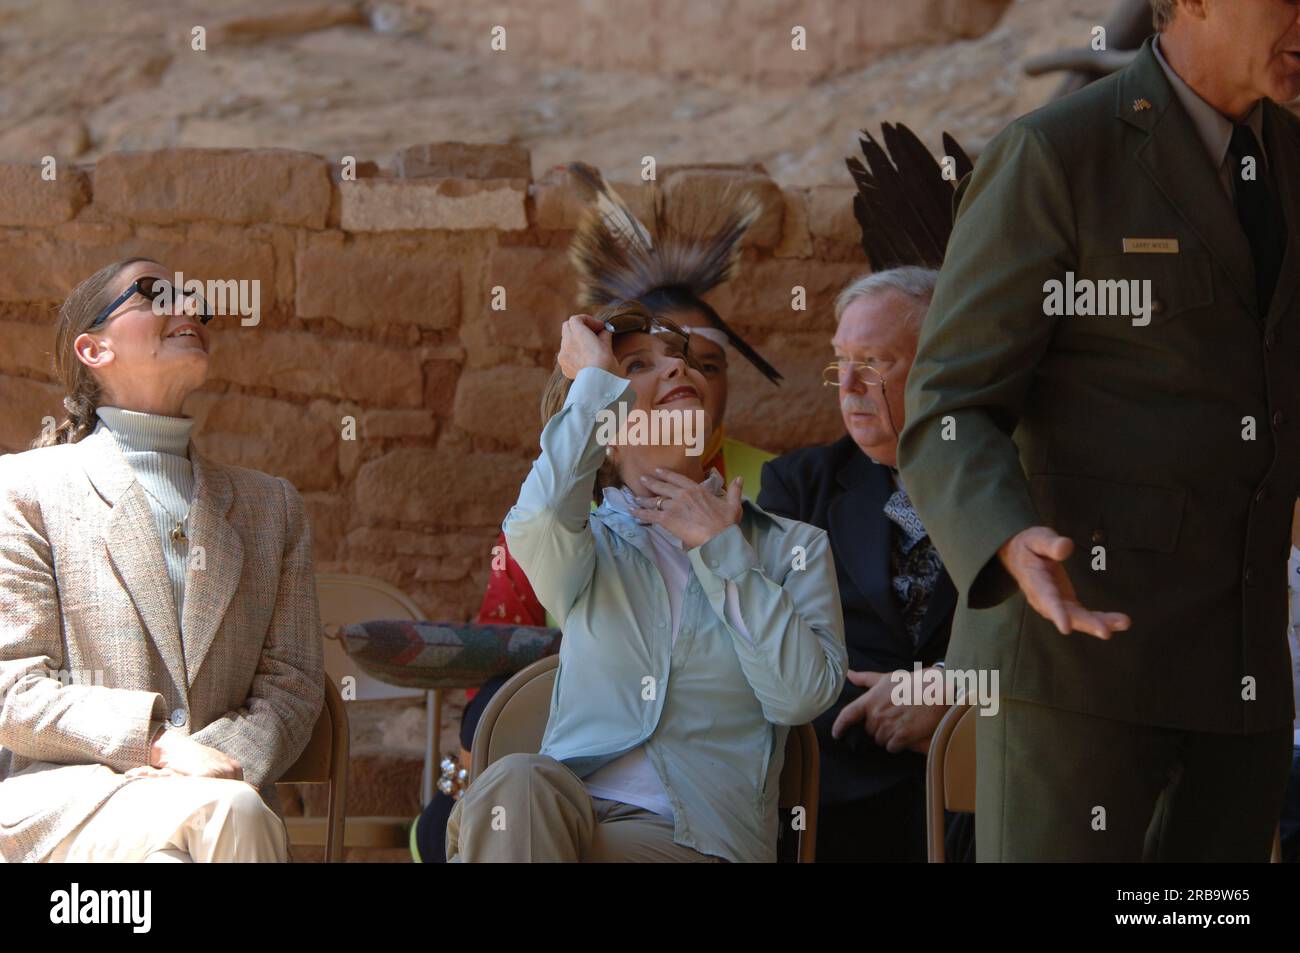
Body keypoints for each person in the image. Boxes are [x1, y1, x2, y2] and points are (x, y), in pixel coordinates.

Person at [898, 0, 1300, 861]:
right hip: (1080, 667)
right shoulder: (1057, 156)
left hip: (1244, 675)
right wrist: (1003, 534)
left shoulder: (1294, 159)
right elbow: (948, 403)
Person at [415, 165, 782, 860]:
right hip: (562, 776)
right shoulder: (568, 511)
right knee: (496, 800)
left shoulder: (783, 500)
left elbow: (801, 680)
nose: (683, 373)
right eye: (639, 364)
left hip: (692, 816)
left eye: (706, 362)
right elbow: (501, 649)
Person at [444, 302, 846, 862]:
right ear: (604, 429)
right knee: (517, 781)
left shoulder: (791, 547)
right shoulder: (584, 543)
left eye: (683, 360)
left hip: (696, 837)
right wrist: (592, 380)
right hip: (560, 817)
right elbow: (534, 520)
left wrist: (720, 549)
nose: (679, 370)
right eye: (637, 367)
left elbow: (800, 695)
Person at [0, 258, 324, 863]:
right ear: (94, 349)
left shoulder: (272, 508)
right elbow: (12, 690)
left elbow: (294, 684)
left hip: (221, 807)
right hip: (67, 811)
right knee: (231, 814)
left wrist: (215, 765)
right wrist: (158, 745)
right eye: (156, 295)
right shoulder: (24, 490)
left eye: (194, 299)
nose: (190, 309)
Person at [758, 268, 964, 862]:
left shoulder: (1012, 484)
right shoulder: (799, 488)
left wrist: (955, 694)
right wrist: (887, 714)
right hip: (838, 781)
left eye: (874, 363)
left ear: (942, 364)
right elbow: (767, 647)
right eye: (840, 361)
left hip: (983, 769)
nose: (847, 385)